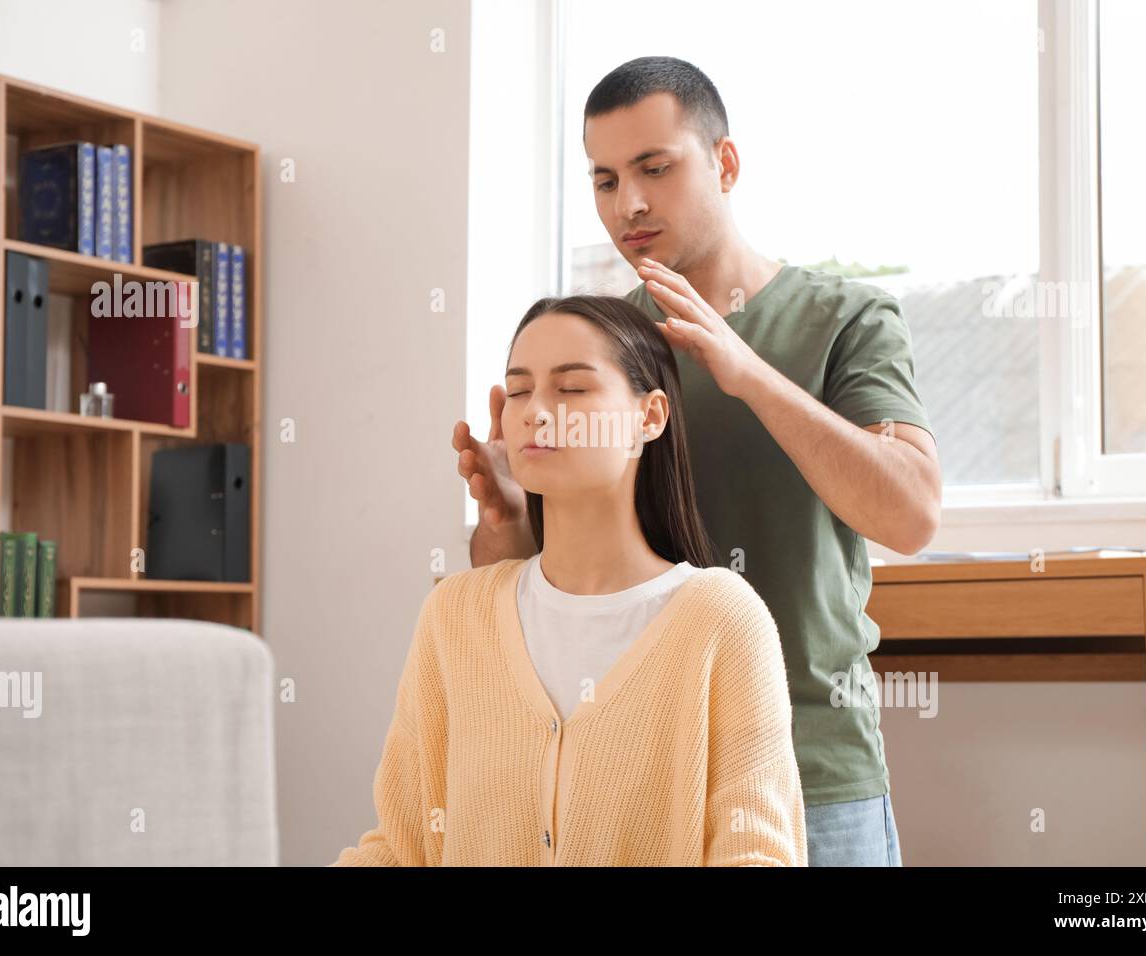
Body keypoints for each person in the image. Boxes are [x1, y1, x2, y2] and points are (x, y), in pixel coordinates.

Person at [456, 57, 941, 866]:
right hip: (643, 774)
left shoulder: (845, 318)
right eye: (605, 179)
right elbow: (544, 588)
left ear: (725, 163)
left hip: (811, 771)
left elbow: (912, 515)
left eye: (655, 168)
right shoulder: (602, 349)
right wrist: (506, 516)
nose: (629, 204)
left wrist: (743, 370)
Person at [335, 294, 807, 866]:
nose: (536, 410)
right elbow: (403, 846)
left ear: (650, 416)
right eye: (518, 391)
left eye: (572, 389)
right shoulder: (455, 613)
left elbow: (754, 854)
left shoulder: (721, 620)